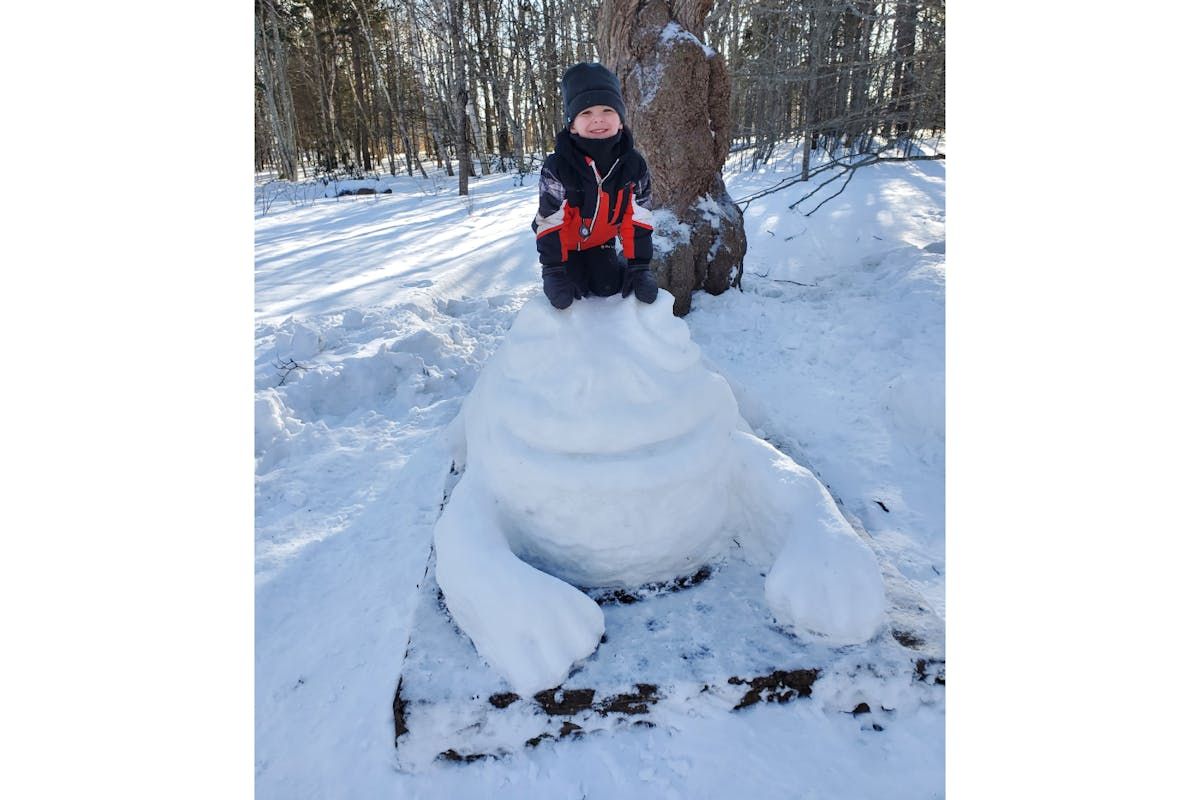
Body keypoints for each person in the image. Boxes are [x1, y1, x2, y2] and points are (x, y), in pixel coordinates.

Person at [531, 62, 659, 309]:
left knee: (607, 288)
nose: (598, 119)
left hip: (602, 241)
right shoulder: (557, 167)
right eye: (586, 113)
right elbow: (549, 220)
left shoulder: (633, 165)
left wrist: (640, 265)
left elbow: (639, 216)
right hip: (566, 246)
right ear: (572, 124)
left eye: (607, 110)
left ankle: (620, 264)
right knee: (573, 296)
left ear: (620, 120)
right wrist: (553, 269)